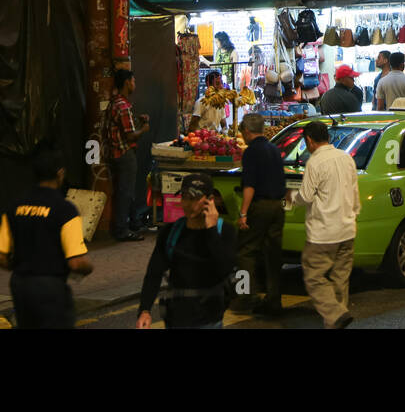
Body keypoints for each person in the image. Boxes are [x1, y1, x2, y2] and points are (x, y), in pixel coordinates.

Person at [0, 148, 92, 329]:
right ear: (60, 173)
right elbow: (76, 263)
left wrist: (22, 268)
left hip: (20, 285)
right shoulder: (65, 209)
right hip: (50, 287)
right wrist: (88, 268)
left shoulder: (15, 206)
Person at [137, 173, 238, 329]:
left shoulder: (224, 231)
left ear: (209, 200)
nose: (188, 204)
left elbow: (223, 269)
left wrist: (210, 229)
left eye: (194, 199)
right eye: (184, 197)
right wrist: (144, 310)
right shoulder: (171, 232)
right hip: (176, 320)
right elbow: (154, 273)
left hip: (209, 321)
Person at [297, 121, 361, 329]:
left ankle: (335, 314)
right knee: (340, 279)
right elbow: (354, 193)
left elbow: (305, 197)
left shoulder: (314, 162)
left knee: (314, 277)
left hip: (322, 233)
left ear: (309, 140)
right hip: (347, 229)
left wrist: (289, 199)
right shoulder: (346, 158)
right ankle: (336, 322)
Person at [235, 114, 285, 316]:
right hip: (277, 207)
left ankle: (245, 296)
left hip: (260, 206)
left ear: (247, 131)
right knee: (272, 254)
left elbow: (249, 185)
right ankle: (274, 300)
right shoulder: (274, 149)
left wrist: (243, 213)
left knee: (245, 252)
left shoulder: (251, 152)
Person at [105, 68, 149, 242]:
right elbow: (130, 135)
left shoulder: (116, 103)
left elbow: (123, 128)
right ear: (127, 83)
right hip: (124, 153)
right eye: (133, 81)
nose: (135, 84)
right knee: (125, 191)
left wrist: (138, 121)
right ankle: (122, 230)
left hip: (116, 152)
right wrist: (144, 129)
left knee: (126, 190)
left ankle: (134, 223)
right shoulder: (123, 106)